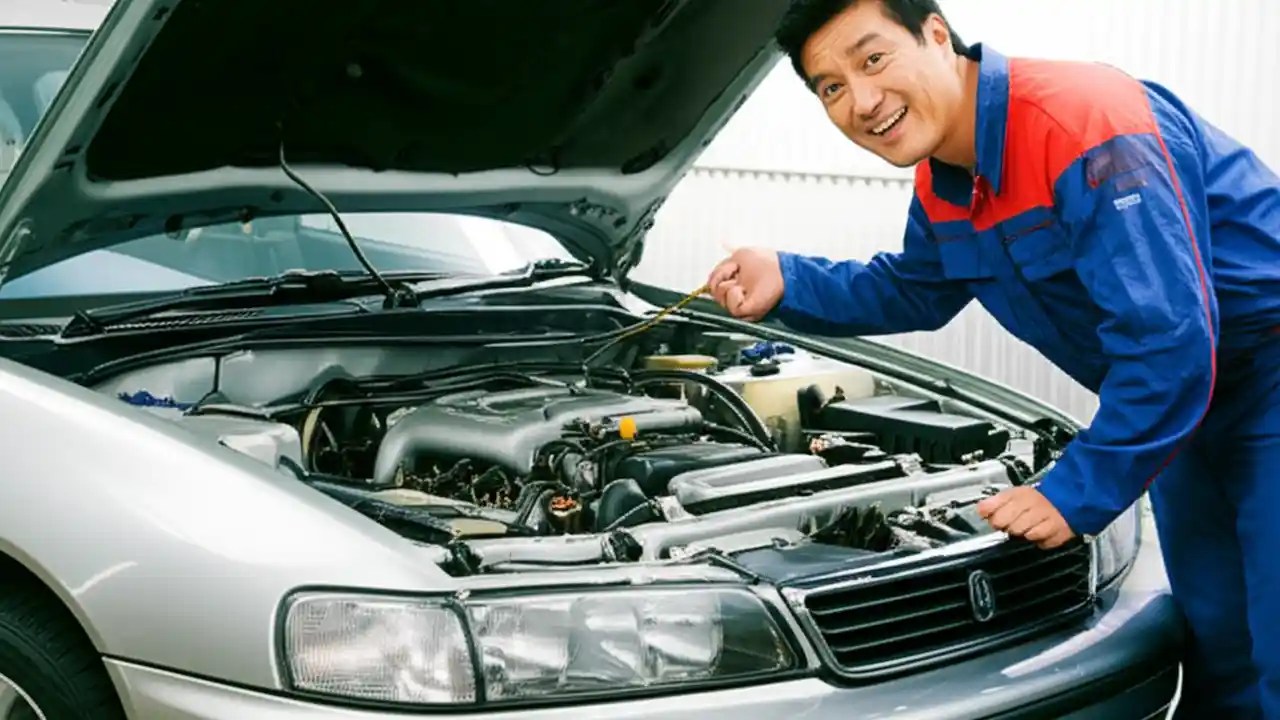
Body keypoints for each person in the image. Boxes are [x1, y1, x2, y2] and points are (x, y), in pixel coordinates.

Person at [705, 0, 1280, 716]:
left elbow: (1171, 342)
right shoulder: (948, 178)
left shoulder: (1086, 126)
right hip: (1188, 415)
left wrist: (1073, 491)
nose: (862, 101)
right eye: (831, 87)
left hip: (1260, 383)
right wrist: (789, 277)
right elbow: (917, 288)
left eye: (873, 58)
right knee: (1221, 644)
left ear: (937, 34)